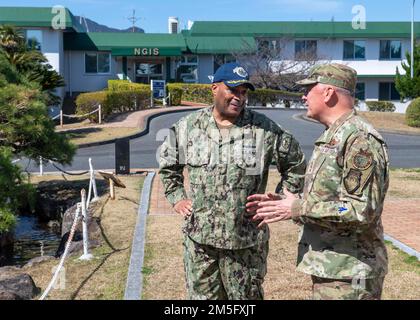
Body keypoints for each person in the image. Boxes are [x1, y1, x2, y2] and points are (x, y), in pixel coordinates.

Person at [158, 62, 306, 300]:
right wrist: (177, 198)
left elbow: (296, 165)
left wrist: (280, 199)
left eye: (243, 92)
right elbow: (168, 167)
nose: (239, 97)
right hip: (200, 242)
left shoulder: (265, 129)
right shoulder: (188, 127)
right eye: (233, 90)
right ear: (214, 88)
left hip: (245, 242)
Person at [246, 63, 390, 300]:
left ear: (328, 93)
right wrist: (291, 202)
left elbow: (359, 208)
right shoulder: (335, 135)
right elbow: (336, 199)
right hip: (335, 267)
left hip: (351, 273)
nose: (303, 96)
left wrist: (298, 208)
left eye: (309, 89)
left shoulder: (358, 139)